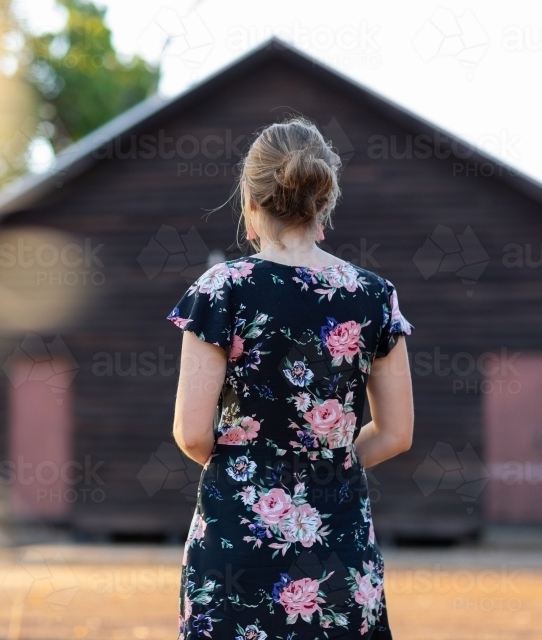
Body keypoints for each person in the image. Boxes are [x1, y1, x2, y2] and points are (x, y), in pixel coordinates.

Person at [168, 118, 414, 639]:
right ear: (323, 201)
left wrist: (252, 469)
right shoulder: (374, 296)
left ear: (250, 204)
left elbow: (192, 434)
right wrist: (326, 463)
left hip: (235, 551)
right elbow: (396, 434)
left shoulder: (219, 290)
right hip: (338, 550)